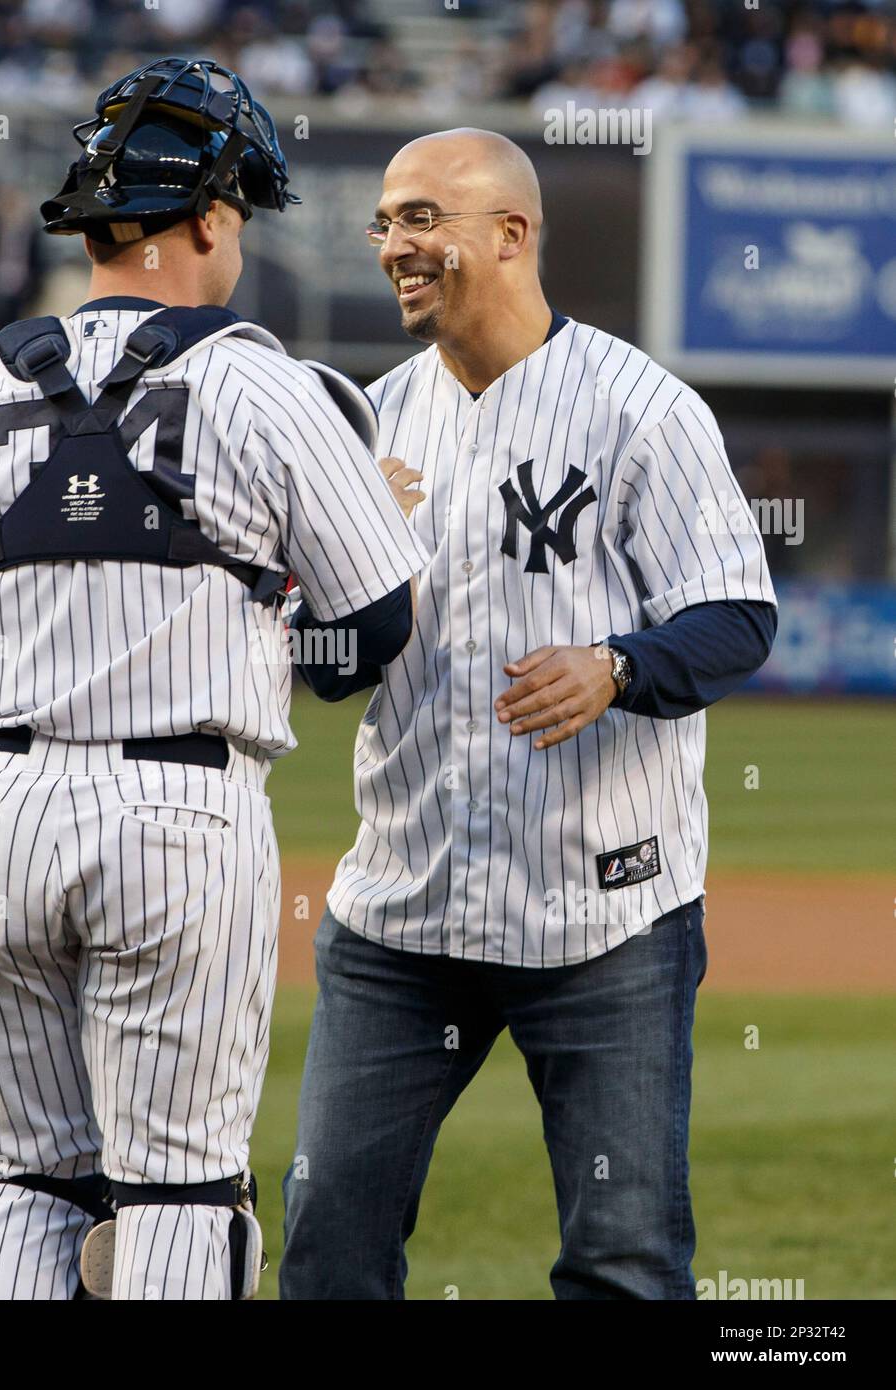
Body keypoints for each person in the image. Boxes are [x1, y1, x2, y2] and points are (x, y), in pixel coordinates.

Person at [0, 57, 428, 1301]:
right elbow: (377, 629)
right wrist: (256, 611)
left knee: (26, 1186)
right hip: (178, 813)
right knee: (180, 1193)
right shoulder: (260, 380)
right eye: (236, 211)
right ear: (205, 218)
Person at [279, 128, 778, 1300]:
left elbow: (734, 617)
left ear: (510, 233)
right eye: (386, 222)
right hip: (399, 915)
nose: (394, 245)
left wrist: (615, 663)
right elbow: (335, 667)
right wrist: (314, 614)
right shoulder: (366, 425)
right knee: (327, 1245)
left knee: (620, 1262)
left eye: (421, 219)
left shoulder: (637, 409)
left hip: (600, 915)